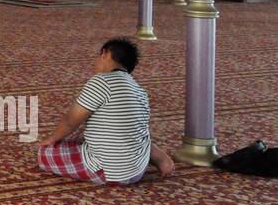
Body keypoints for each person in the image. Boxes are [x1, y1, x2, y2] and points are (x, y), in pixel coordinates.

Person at [37, 38, 176, 185]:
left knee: (45, 153)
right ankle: (159, 158)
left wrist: (50, 140)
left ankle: (104, 162)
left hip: (108, 171)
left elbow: (71, 121)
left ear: (105, 53)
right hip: (138, 171)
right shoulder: (139, 91)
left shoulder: (101, 81)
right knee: (131, 130)